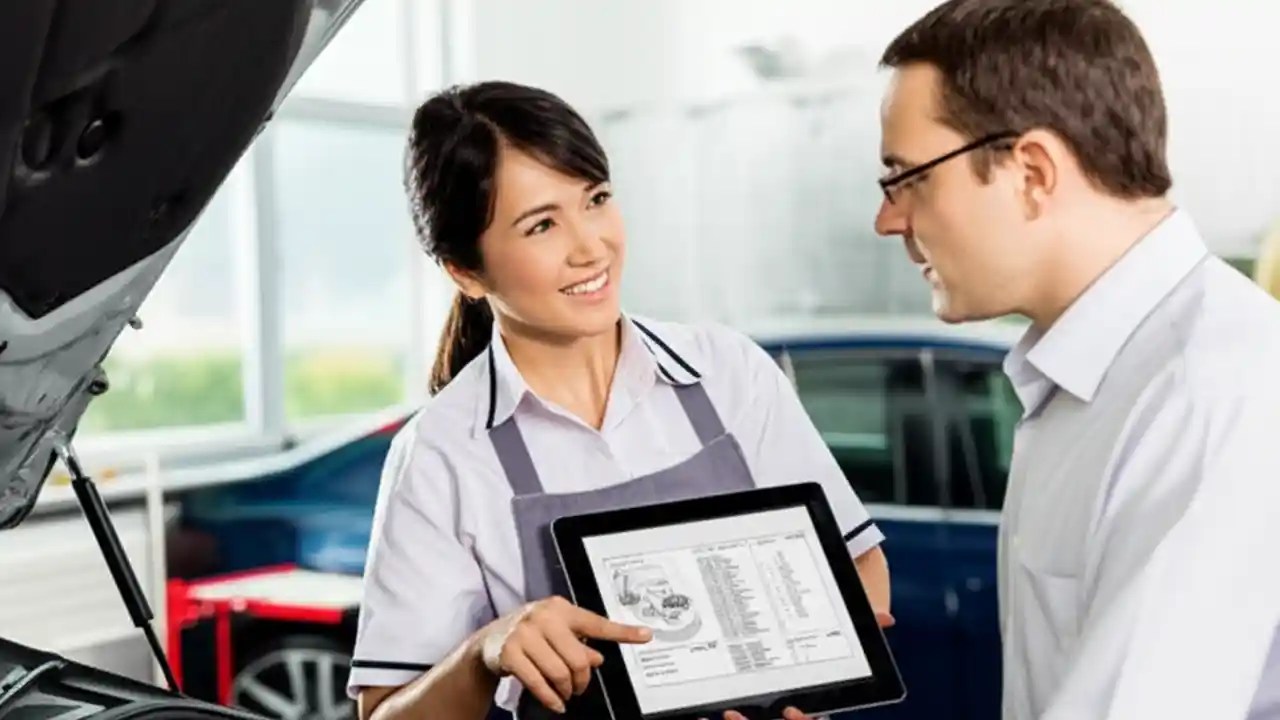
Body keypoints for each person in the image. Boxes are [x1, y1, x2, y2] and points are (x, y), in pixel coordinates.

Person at [347, 80, 893, 720]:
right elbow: (385, 714)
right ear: (466, 272)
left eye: (597, 199)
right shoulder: (441, 454)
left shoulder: (730, 373)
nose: (591, 246)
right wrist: (483, 652)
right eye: (542, 224)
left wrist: (802, 695)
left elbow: (857, 564)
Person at [874, 0, 1280, 718]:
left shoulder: (1208, 392)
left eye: (910, 179)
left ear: (1031, 170)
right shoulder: (1090, 376)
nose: (889, 219)